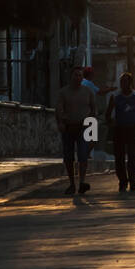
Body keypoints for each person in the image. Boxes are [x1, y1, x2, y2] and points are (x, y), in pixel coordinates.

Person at [56, 66, 96, 195]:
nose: (78, 78)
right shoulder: (63, 92)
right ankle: (72, 183)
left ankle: (82, 182)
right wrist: (61, 122)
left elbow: (94, 111)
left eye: (80, 75)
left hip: (83, 128)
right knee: (68, 157)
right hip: (68, 128)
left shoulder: (88, 92)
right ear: (71, 77)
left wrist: (92, 132)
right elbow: (59, 110)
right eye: (75, 75)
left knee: (83, 156)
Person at [105, 72, 135, 193]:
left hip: (133, 129)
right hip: (119, 130)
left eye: (126, 82)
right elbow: (108, 113)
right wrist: (111, 123)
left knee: (133, 156)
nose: (124, 85)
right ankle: (123, 181)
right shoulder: (115, 96)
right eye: (122, 82)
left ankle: (133, 181)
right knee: (119, 158)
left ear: (131, 83)